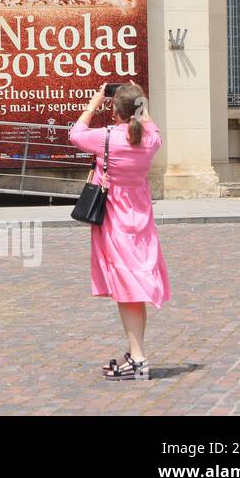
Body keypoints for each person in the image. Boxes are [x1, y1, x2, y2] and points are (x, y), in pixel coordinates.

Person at [68, 82, 169, 381]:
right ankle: (135, 354)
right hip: (141, 217)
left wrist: (94, 102)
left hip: (116, 217)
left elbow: (75, 134)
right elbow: (155, 131)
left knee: (128, 289)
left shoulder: (109, 138)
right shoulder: (149, 139)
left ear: (115, 111)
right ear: (138, 109)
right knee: (134, 288)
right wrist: (140, 101)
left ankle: (138, 360)